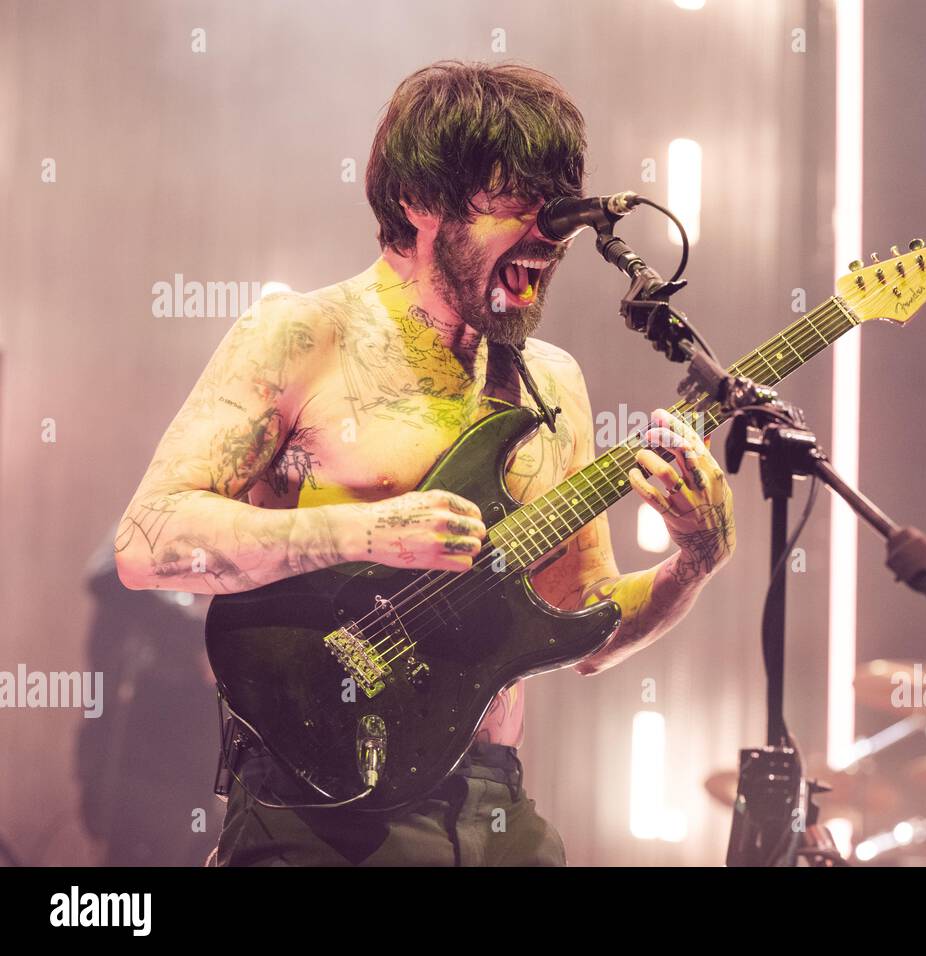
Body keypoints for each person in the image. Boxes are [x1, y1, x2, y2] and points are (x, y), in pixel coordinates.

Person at [114, 61, 736, 866]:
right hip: (320, 813)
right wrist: (369, 530)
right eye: (515, 201)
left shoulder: (553, 382)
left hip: (494, 802)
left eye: (558, 208)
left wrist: (694, 562)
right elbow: (146, 541)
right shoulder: (303, 334)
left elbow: (584, 628)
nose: (548, 234)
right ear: (420, 200)